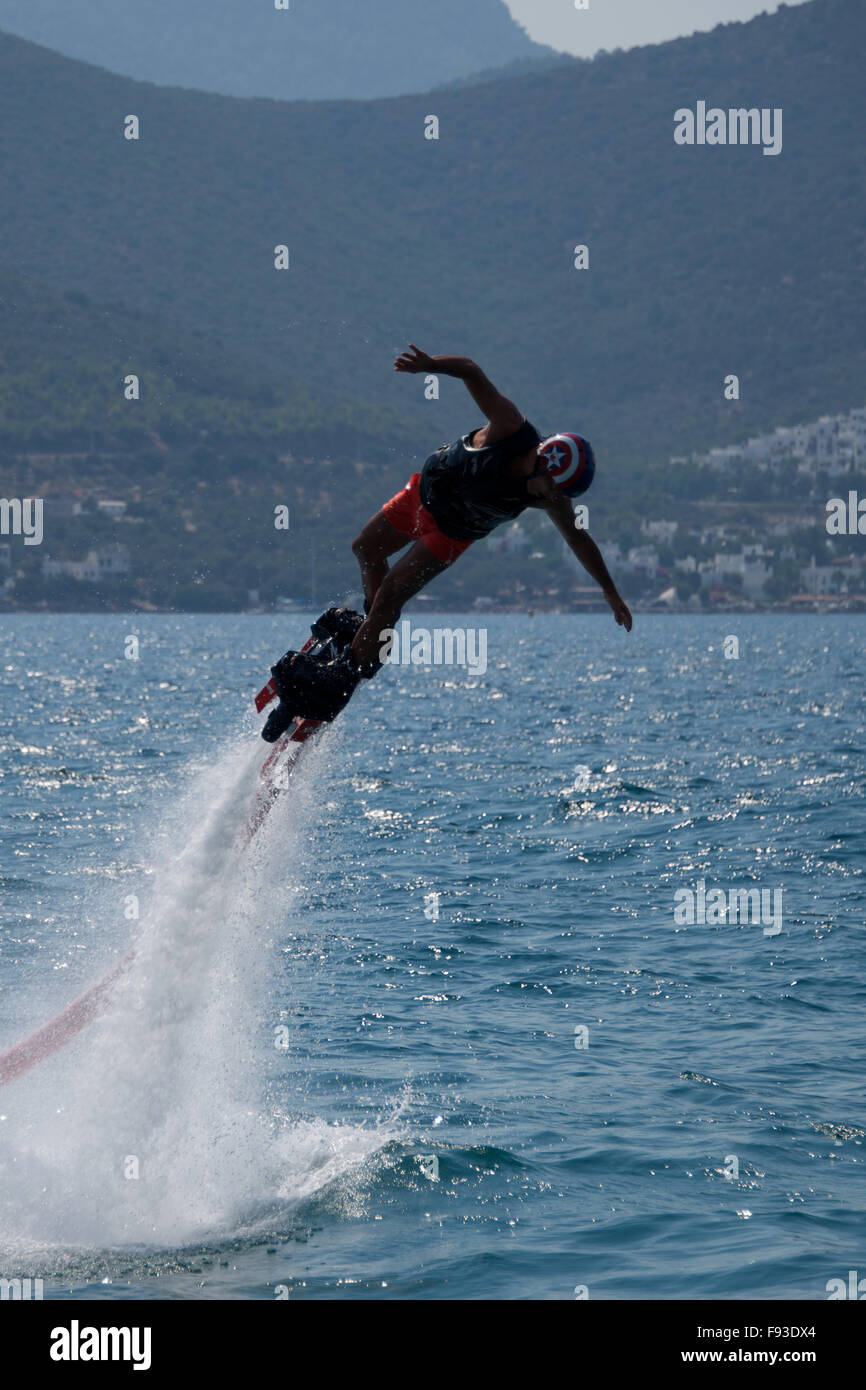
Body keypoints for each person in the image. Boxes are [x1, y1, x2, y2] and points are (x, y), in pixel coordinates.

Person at [263, 345, 632, 733]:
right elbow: (472, 370)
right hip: (421, 497)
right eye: (558, 490)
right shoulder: (509, 427)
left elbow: (578, 538)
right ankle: (369, 639)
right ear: (544, 460)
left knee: (391, 594)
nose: (558, 500)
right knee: (365, 550)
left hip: (450, 536)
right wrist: (429, 367)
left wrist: (608, 590)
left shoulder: (546, 497)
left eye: (563, 497)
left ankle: (352, 666)